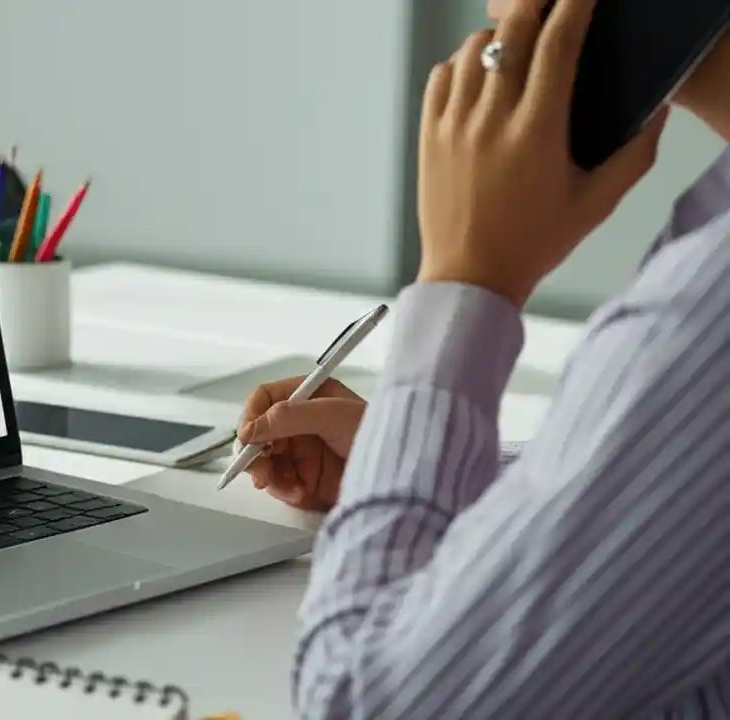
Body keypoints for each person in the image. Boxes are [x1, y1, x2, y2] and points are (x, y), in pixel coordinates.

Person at [237, 0, 730, 716]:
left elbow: (366, 702)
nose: (494, 8)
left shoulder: (704, 312)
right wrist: (414, 464)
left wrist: (465, 279)